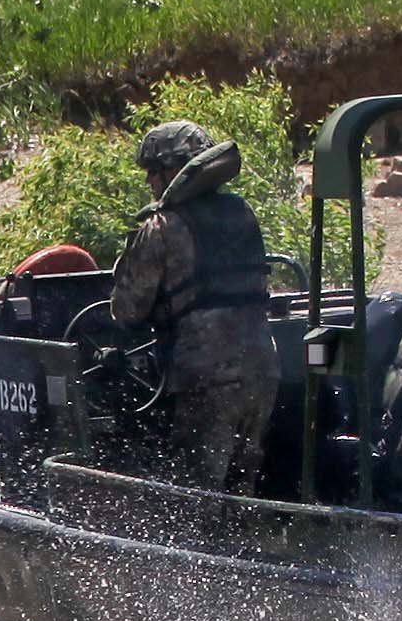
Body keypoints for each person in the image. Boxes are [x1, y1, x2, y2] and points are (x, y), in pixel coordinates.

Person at [108, 118, 281, 492]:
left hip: (208, 378)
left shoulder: (161, 227)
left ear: (175, 170)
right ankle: (247, 548)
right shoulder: (241, 212)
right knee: (243, 488)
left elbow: (127, 310)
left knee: (196, 492)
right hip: (263, 369)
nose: (149, 180)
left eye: (154, 170)